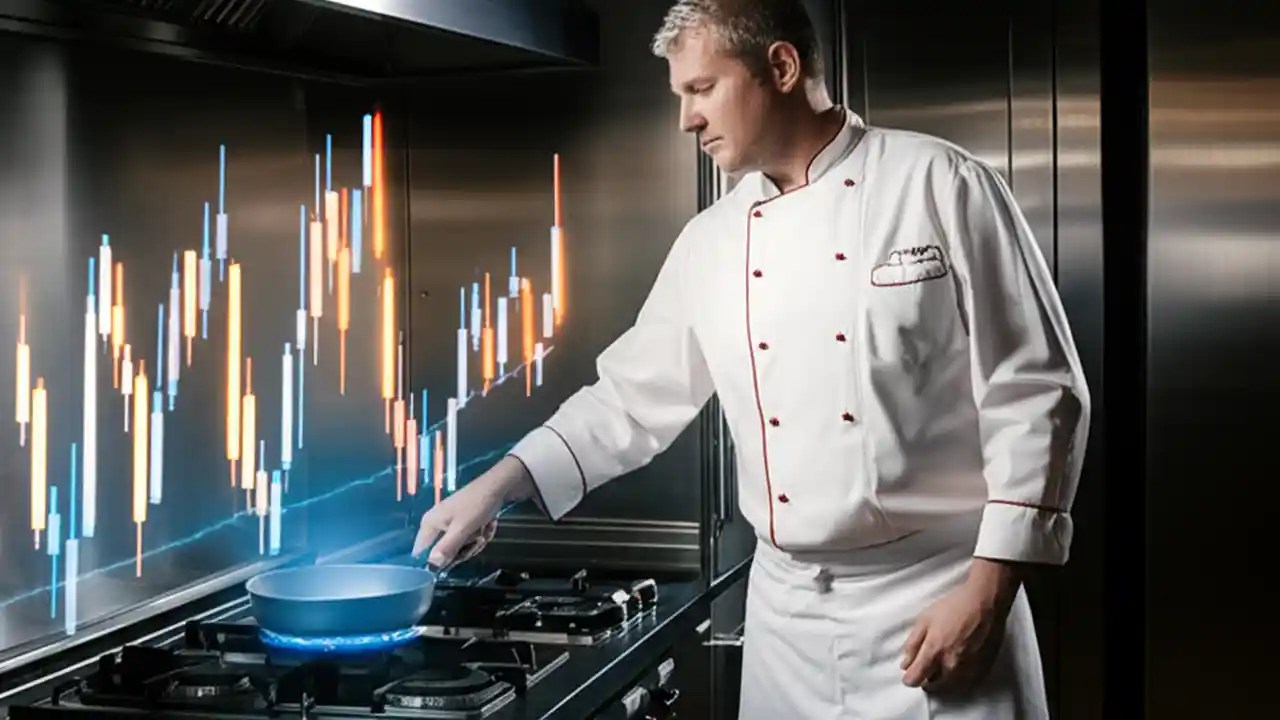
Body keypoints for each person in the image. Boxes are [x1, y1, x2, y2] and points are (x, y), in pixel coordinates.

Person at [413, 0, 1090, 717]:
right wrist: (498, 486)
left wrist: (988, 593)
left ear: (782, 67)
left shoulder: (940, 184)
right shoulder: (712, 240)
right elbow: (628, 402)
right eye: (680, 96)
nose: (687, 119)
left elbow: (1038, 393)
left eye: (702, 88)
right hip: (787, 628)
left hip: (939, 599)